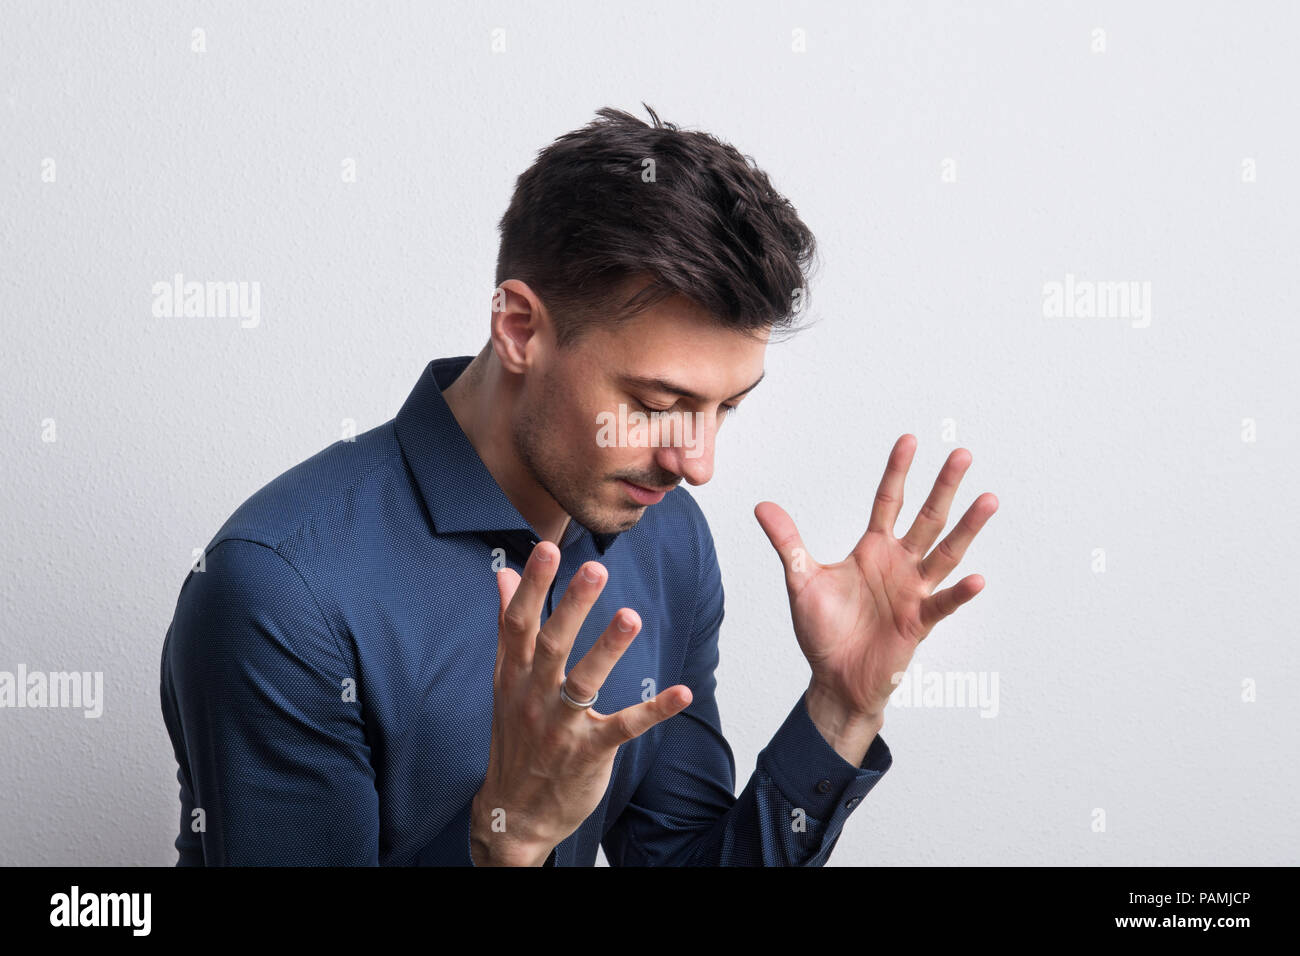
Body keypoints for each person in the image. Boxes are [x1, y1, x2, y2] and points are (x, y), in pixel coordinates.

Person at [159, 104, 997, 866]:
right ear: (520, 328)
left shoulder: (666, 537)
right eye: (658, 403)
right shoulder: (281, 592)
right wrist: (507, 841)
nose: (695, 462)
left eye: (727, 409)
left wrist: (842, 708)